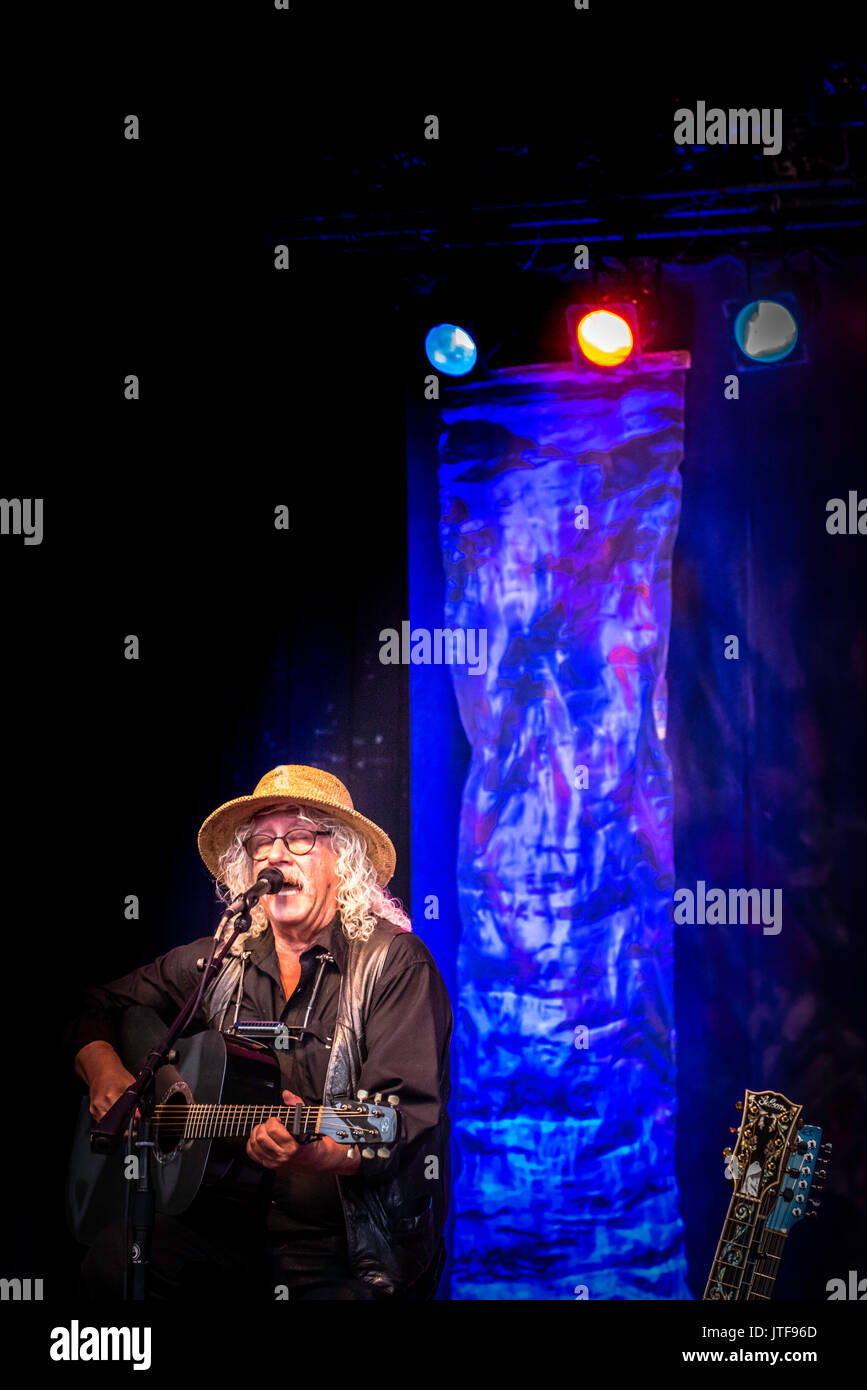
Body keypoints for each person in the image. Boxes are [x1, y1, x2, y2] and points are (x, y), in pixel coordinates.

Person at [70, 764, 452, 1301]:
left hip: (343, 1245)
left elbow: (397, 1120)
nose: (275, 855)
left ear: (343, 861)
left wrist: (314, 1153)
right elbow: (99, 1004)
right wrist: (105, 1070)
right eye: (261, 843)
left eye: (298, 838)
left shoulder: (394, 965)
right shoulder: (221, 958)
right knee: (112, 1264)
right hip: (224, 1224)